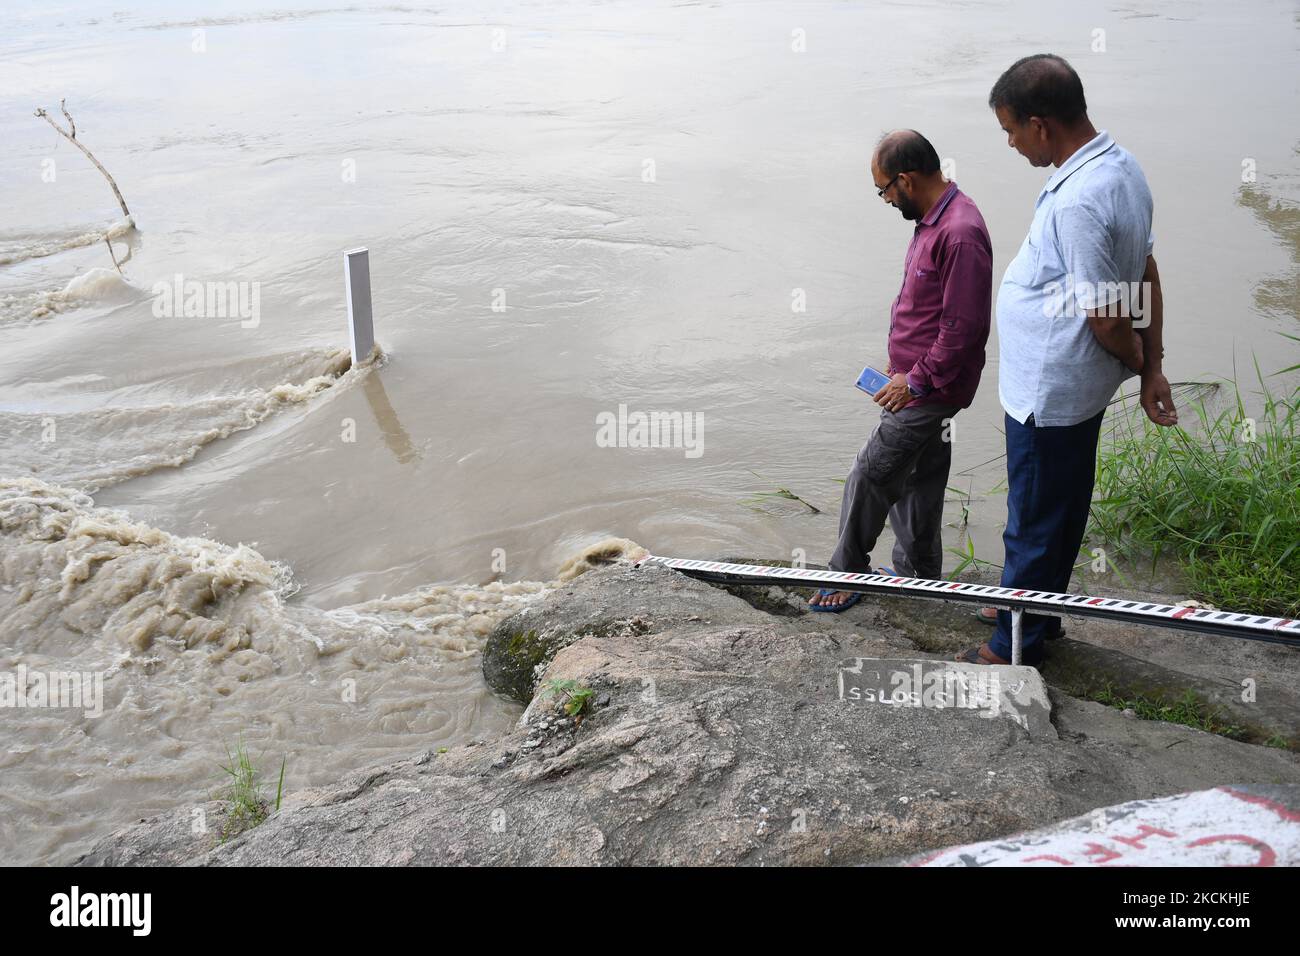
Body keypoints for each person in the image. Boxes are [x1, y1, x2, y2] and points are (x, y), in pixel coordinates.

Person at [958, 54, 1178, 663]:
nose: (1009, 142)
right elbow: (1148, 273)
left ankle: (1012, 647)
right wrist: (1152, 365)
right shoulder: (1122, 168)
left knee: (1031, 520)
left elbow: (1107, 317)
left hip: (1049, 394)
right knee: (1060, 508)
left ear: (1041, 124)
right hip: (1074, 391)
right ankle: (1040, 614)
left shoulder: (1080, 199)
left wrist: (1137, 359)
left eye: (1010, 130)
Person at [810, 130, 992, 611]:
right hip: (918, 381)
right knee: (920, 479)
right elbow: (931, 311)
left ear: (906, 180)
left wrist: (913, 382)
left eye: (884, 190)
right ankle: (918, 578)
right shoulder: (935, 222)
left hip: (929, 388)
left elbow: (963, 328)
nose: (886, 200)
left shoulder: (960, 233)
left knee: (871, 474)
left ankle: (846, 573)